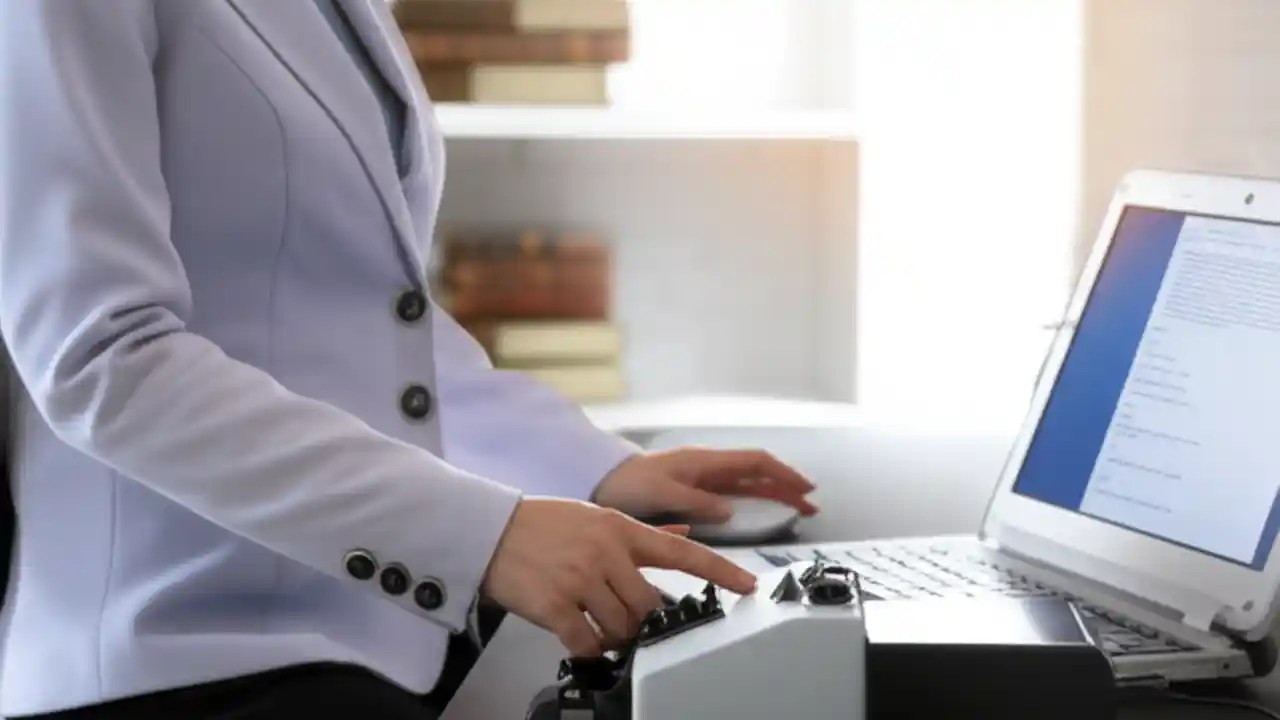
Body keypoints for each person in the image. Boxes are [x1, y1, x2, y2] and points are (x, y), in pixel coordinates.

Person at [0, 1, 819, 718]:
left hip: (365, 635)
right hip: (179, 655)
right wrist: (485, 537)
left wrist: (592, 471)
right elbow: (103, 360)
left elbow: (362, 317)